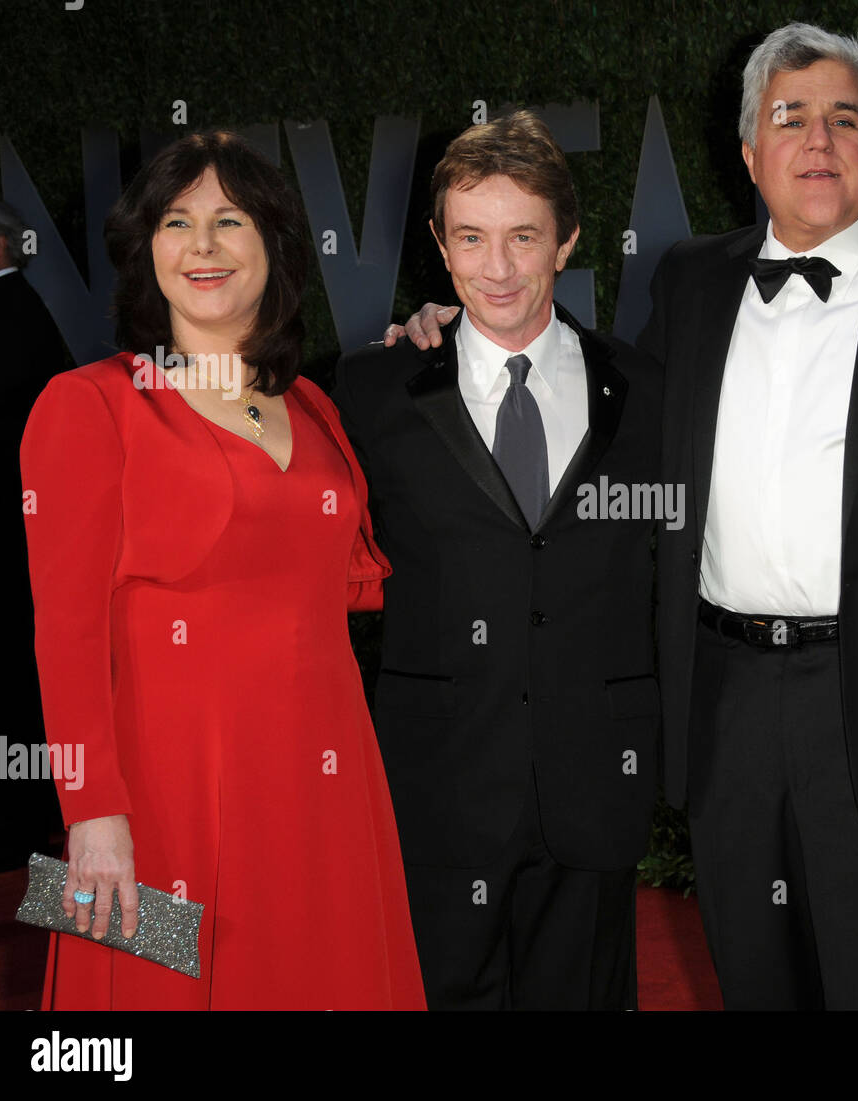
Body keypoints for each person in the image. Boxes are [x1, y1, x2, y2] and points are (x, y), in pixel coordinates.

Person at [401, 23, 858, 1010]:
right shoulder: (692, 281)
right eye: (790, 119)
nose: (817, 142)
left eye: (844, 119)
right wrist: (457, 334)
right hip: (726, 703)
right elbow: (591, 400)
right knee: (754, 979)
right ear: (748, 154)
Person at [20, 130, 424, 1009]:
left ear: (274, 248)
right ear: (146, 252)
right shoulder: (89, 405)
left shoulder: (315, 407)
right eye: (176, 221)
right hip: (163, 798)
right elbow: (66, 630)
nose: (201, 245)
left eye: (228, 220)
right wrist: (92, 811)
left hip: (325, 786)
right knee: (158, 989)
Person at [335, 110, 661, 1010]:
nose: (499, 267)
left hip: (592, 782)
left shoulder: (644, 389)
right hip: (436, 784)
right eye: (472, 238)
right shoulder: (371, 389)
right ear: (441, 244)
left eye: (524, 236)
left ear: (568, 240)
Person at [0, 195, 70, 875]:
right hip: (23, 550)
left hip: (8, 551)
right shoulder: (19, 313)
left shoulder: (4, 317)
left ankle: (13, 832)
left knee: (8, 683)